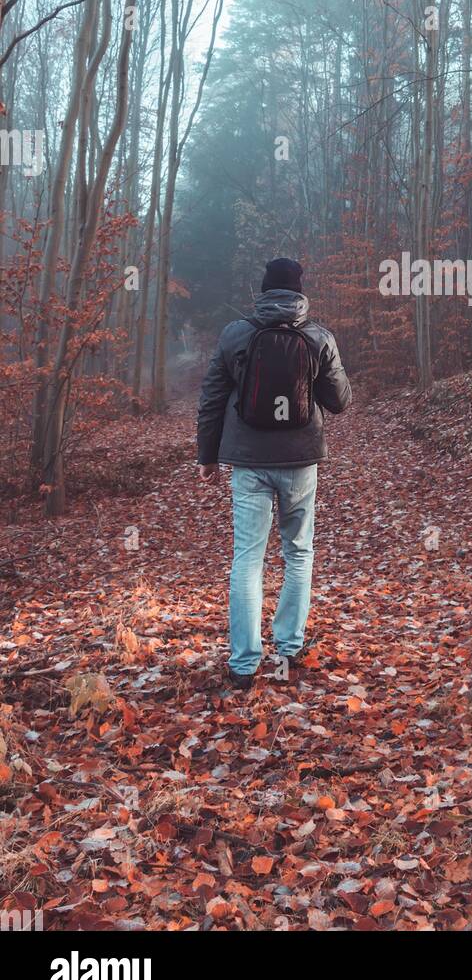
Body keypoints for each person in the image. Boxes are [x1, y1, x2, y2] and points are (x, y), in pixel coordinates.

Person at [196, 258, 351, 689]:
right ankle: (289, 647)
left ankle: (244, 666)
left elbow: (210, 397)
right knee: (297, 552)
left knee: (248, 557)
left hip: (248, 462)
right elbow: (339, 401)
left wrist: (207, 456)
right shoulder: (318, 337)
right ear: (300, 293)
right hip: (300, 461)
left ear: (262, 292)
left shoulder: (236, 335)